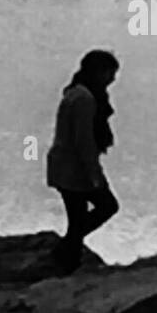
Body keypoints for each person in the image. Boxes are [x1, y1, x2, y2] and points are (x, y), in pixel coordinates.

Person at [47, 49, 120, 273]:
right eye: (109, 73)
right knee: (105, 207)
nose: (112, 79)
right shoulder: (85, 99)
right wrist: (94, 174)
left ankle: (67, 258)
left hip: (65, 166)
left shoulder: (77, 93)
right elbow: (84, 141)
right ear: (98, 72)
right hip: (73, 170)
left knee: (78, 220)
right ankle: (65, 253)